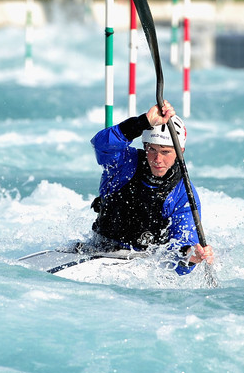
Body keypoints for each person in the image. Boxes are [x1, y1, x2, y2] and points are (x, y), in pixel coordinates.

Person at [85, 100, 214, 275]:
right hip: (98, 250)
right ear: (144, 146)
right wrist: (142, 122)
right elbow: (102, 144)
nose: (157, 159)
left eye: (165, 152)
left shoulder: (183, 193)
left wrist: (190, 255)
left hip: (144, 262)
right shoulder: (124, 164)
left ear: (180, 151)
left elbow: (181, 247)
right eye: (152, 149)